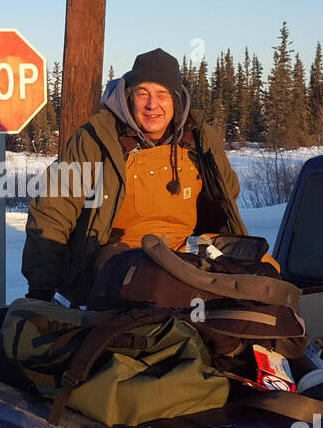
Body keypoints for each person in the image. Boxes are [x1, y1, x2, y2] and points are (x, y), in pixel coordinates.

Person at [22, 47, 250, 306]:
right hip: (120, 257)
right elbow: (52, 212)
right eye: (143, 94)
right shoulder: (95, 140)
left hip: (188, 251)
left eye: (162, 94)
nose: (152, 105)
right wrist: (41, 288)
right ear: (128, 96)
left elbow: (228, 194)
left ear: (176, 100)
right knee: (149, 285)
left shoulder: (199, 137)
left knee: (264, 273)